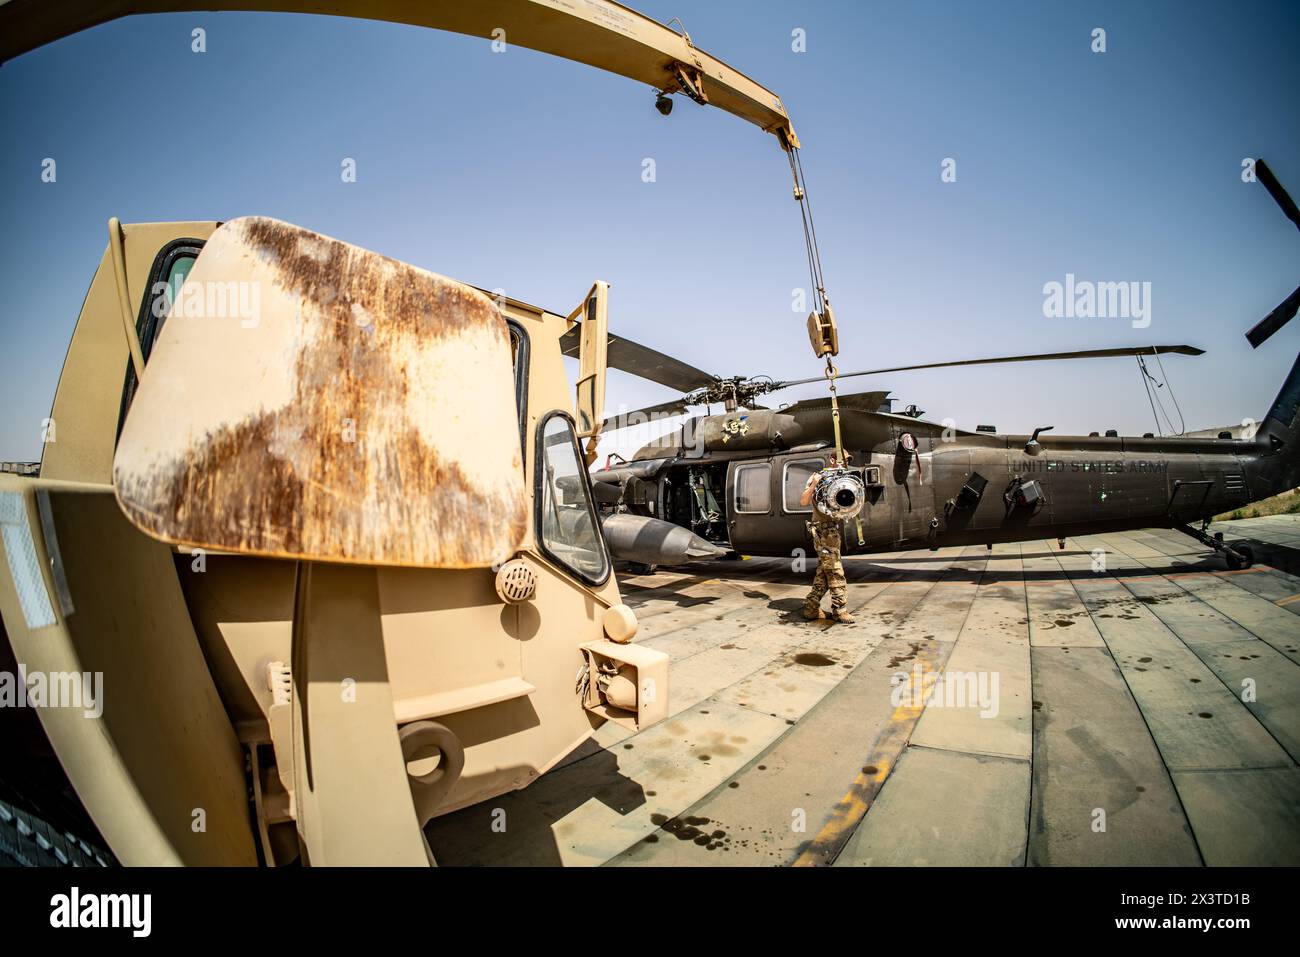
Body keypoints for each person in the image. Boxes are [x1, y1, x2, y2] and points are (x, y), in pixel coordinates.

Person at [799, 454, 855, 623]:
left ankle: (811, 608)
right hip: (823, 532)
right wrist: (815, 484)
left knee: (824, 572)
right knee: (835, 571)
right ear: (832, 459)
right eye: (842, 459)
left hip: (833, 531)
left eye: (848, 461)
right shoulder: (818, 477)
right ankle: (840, 610)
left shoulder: (844, 480)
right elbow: (803, 501)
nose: (845, 463)